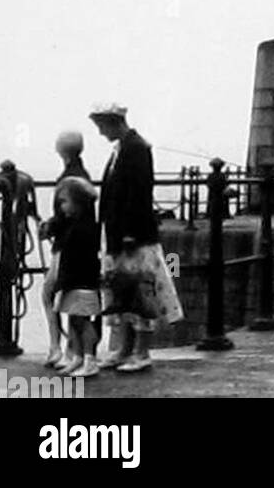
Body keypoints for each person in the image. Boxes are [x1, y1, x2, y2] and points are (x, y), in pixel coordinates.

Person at [89, 103, 183, 373]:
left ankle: (141, 352)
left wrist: (130, 233)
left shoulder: (136, 149)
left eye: (101, 127)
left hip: (134, 237)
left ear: (113, 122)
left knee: (141, 293)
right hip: (119, 234)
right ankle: (125, 349)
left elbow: (139, 193)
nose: (100, 133)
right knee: (123, 293)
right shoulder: (123, 149)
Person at [39, 131, 94, 369]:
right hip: (76, 255)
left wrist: (51, 225)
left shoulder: (70, 180)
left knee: (50, 294)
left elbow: (65, 216)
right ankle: (74, 353)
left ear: (60, 149)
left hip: (67, 251)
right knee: (73, 308)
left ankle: (59, 349)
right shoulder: (83, 176)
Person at [50, 176, 101, 377]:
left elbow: (77, 259)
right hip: (75, 281)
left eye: (65, 202)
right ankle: (78, 356)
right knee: (74, 319)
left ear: (77, 203)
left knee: (83, 320)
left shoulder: (82, 229)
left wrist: (63, 282)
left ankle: (89, 358)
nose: (62, 207)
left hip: (81, 281)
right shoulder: (76, 225)